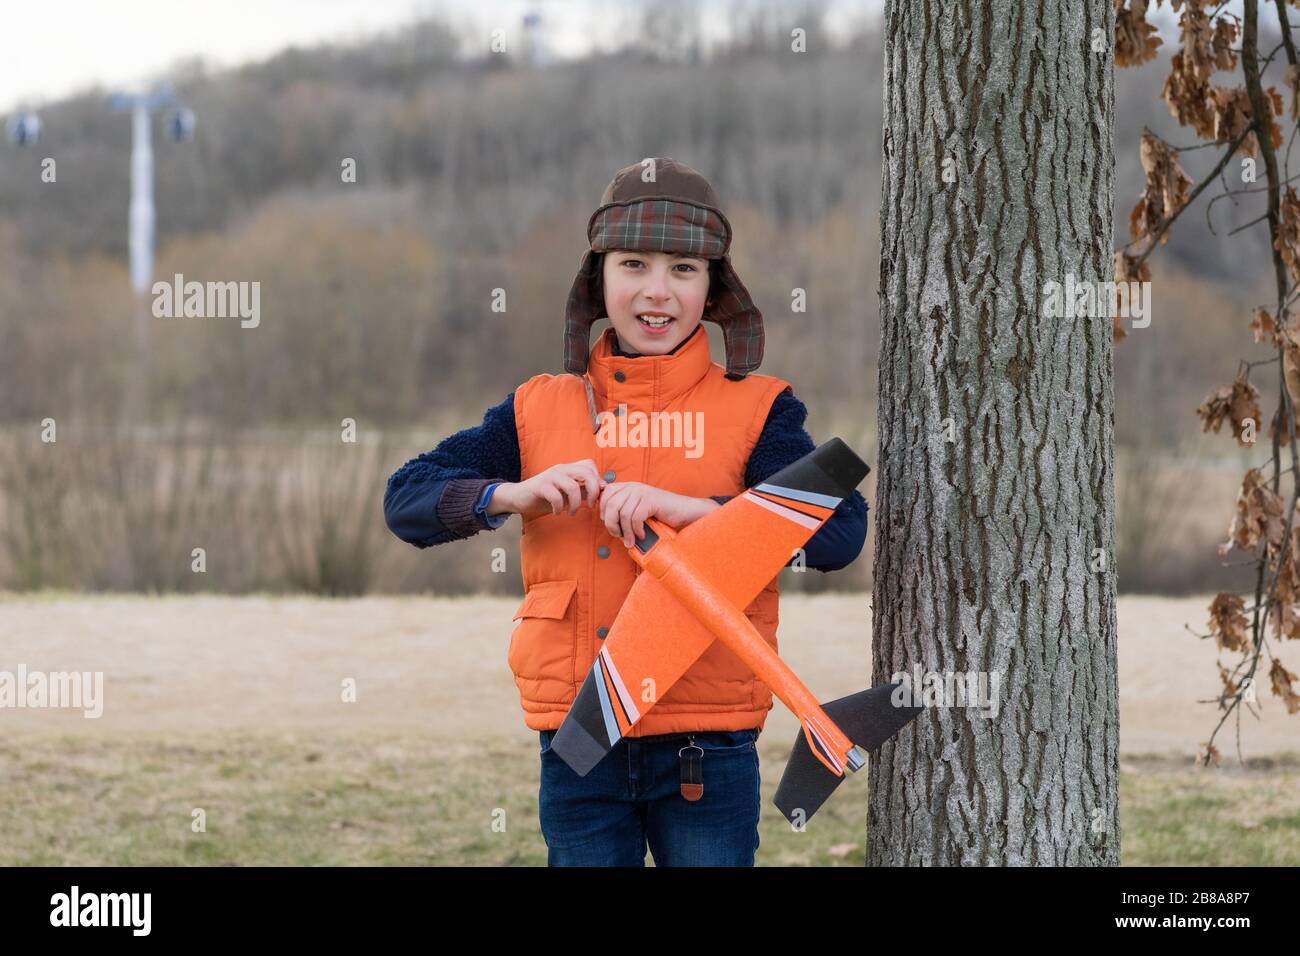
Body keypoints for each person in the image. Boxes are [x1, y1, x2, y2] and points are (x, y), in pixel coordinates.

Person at [384, 157, 868, 866]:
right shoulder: (535, 408)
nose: (656, 290)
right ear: (597, 280)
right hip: (579, 743)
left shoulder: (757, 409)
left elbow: (841, 535)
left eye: (683, 269)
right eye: (634, 264)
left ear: (714, 287)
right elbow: (407, 500)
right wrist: (511, 495)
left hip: (707, 743)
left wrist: (696, 511)